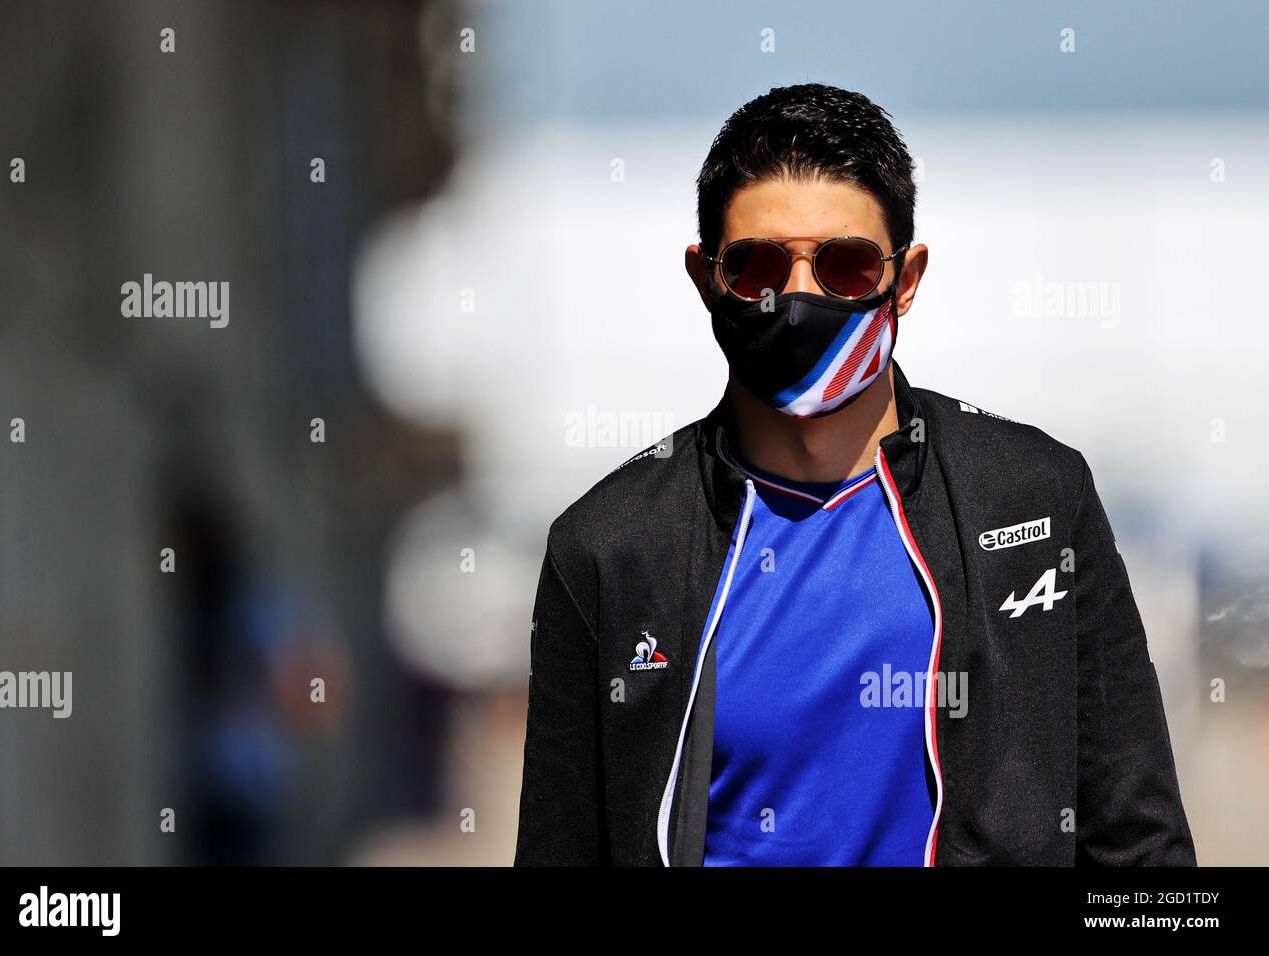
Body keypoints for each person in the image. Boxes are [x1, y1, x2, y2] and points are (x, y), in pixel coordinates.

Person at [513, 83, 1197, 866]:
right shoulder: (607, 546)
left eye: (843, 266)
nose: (798, 296)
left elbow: (1141, 844)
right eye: (759, 266)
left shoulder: (1036, 495)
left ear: (905, 280)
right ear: (707, 280)